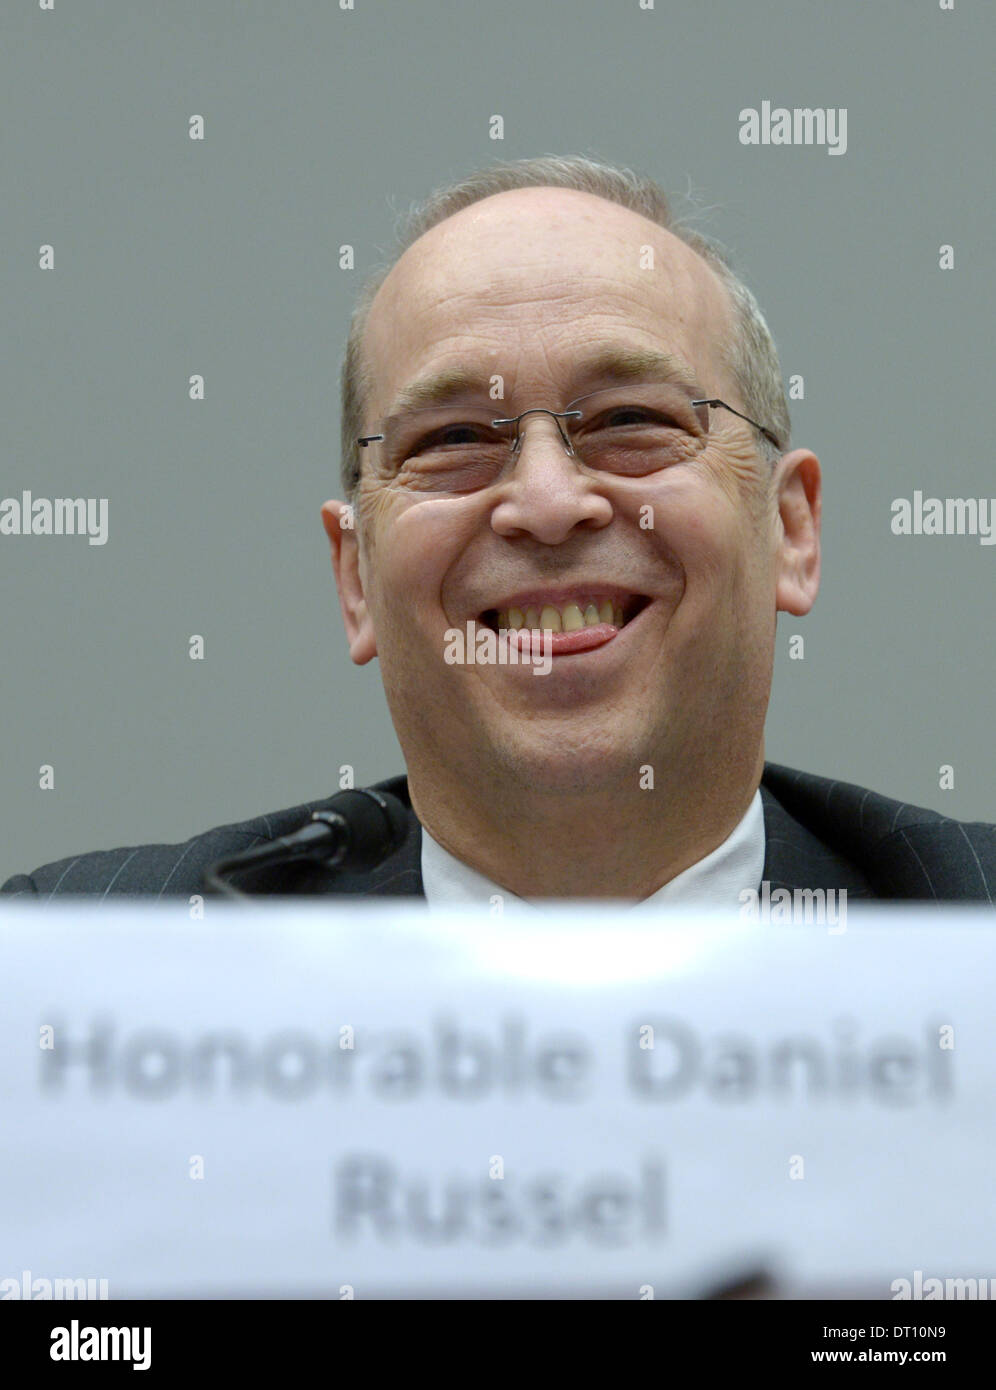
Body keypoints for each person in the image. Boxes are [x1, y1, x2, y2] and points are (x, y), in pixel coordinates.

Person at [3, 155, 993, 904]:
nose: (549, 503)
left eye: (630, 422)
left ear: (791, 529)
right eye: (455, 439)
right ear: (355, 580)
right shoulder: (84, 965)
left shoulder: (964, 932)